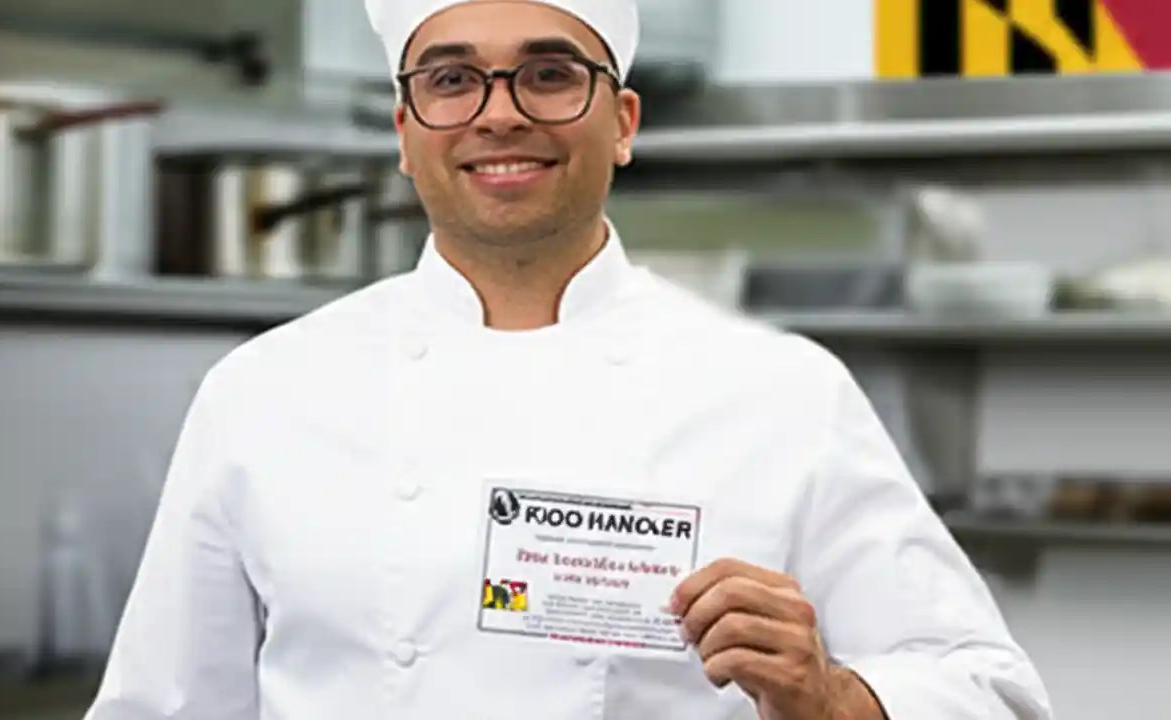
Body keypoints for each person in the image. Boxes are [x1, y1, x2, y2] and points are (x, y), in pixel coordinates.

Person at [83, 1, 1053, 718]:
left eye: (548, 73)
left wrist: (831, 694)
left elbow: (990, 690)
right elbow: (163, 707)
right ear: (403, 133)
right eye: (450, 78)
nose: (497, 113)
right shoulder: (263, 391)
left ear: (621, 121)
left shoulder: (781, 392)